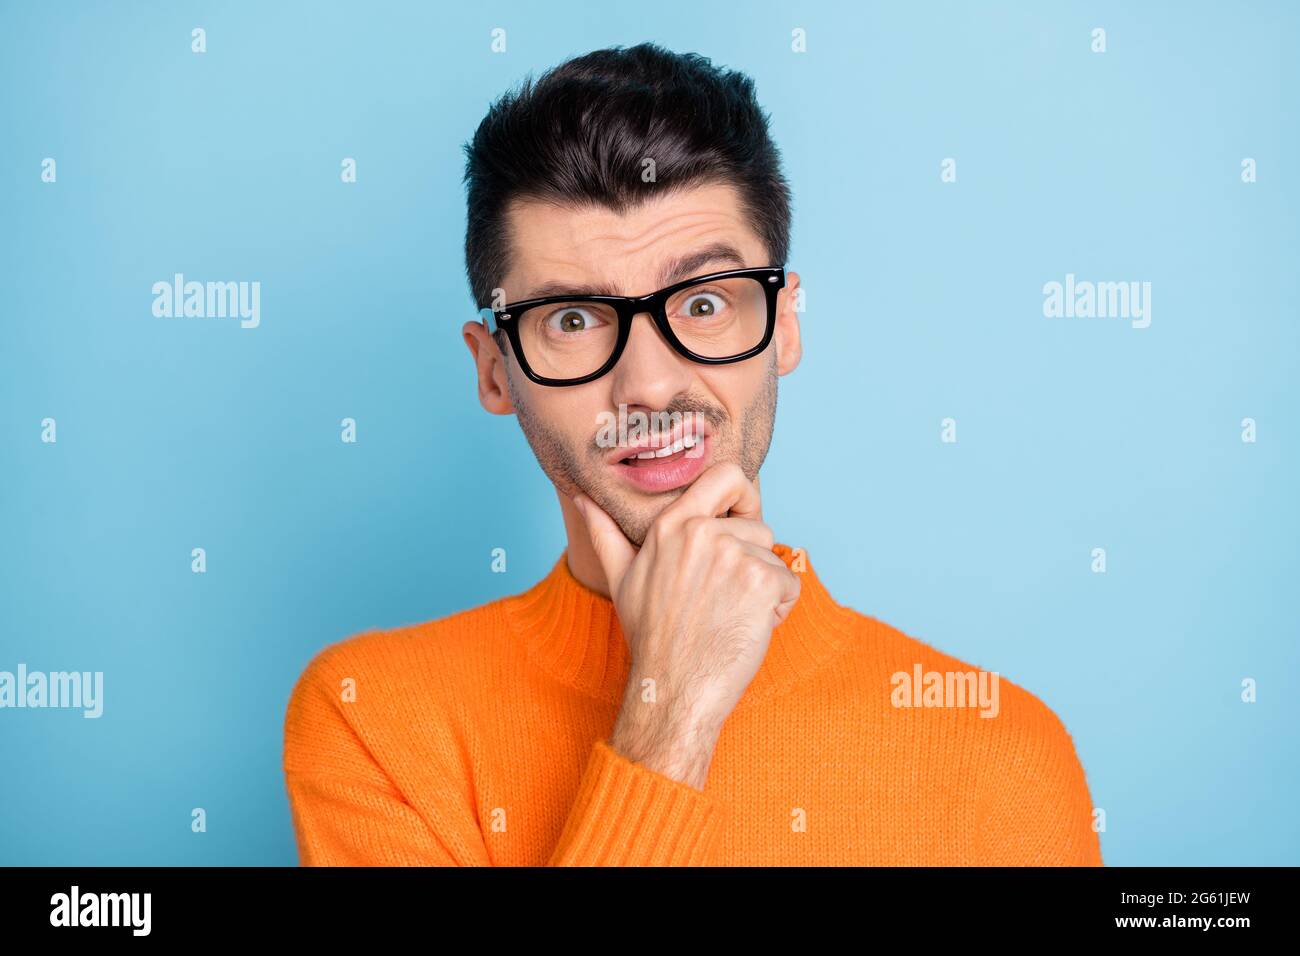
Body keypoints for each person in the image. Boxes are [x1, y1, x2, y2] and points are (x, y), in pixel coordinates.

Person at [283, 42, 1103, 866]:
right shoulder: (374, 718)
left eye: (704, 302)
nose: (648, 385)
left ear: (782, 327)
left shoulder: (1000, 753)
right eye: (572, 320)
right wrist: (669, 711)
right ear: (495, 371)